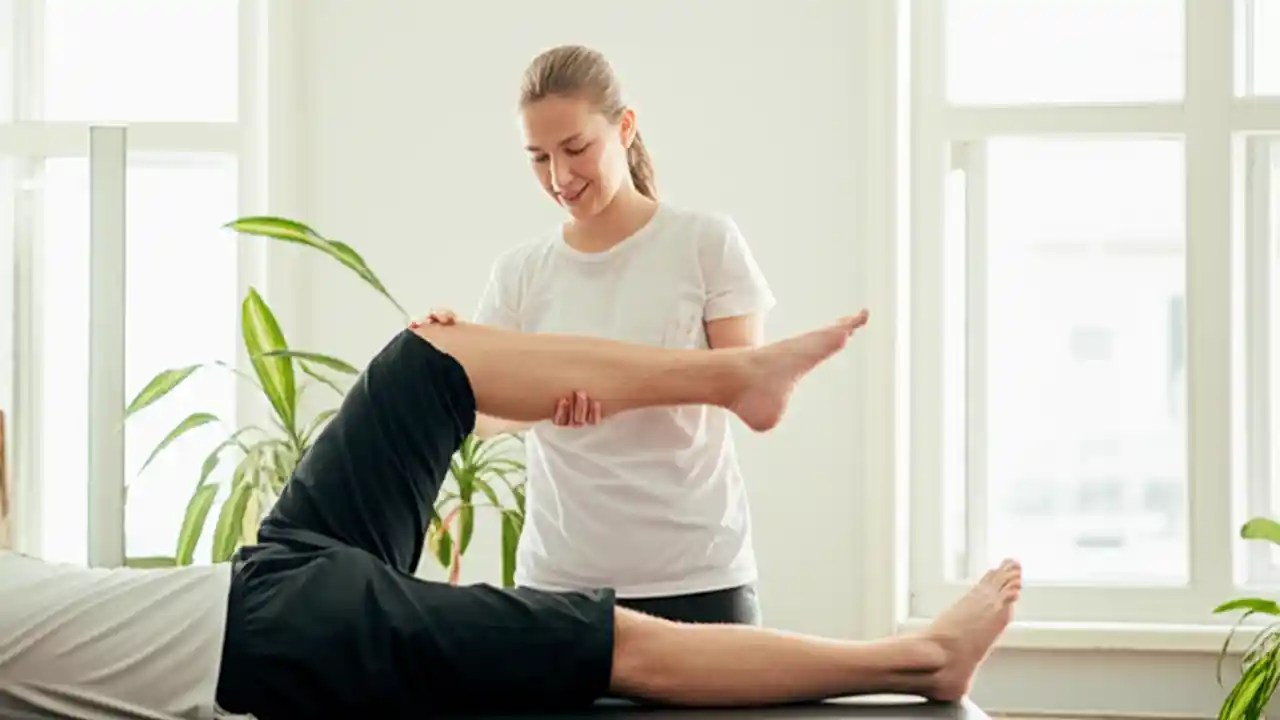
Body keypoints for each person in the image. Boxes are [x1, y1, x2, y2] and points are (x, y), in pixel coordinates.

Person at [0, 310, 1022, 720]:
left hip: (264, 574)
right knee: (612, 641)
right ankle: (916, 661)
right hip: (275, 646)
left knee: (427, 357)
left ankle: (737, 377)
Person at [458, 43, 786, 626]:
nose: (559, 177)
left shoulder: (704, 244)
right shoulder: (520, 272)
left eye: (576, 148)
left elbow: (747, 389)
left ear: (625, 127)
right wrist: (544, 404)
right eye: (538, 157)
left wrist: (603, 389)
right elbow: (481, 415)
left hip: (699, 576)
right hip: (559, 584)